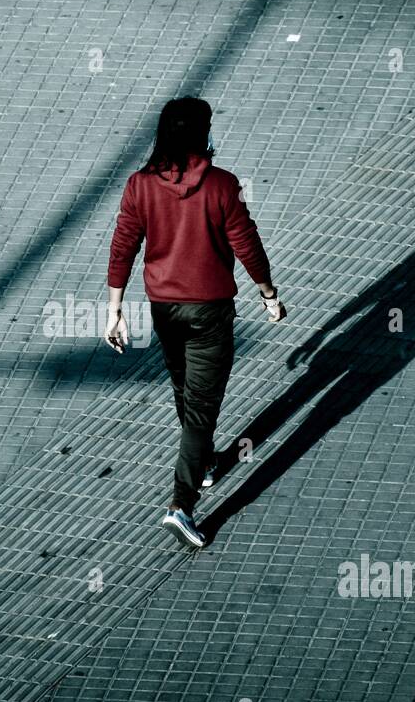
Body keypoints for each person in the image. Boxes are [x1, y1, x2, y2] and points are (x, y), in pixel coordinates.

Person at [104, 97, 285, 548]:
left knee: (186, 389)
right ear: (202, 133)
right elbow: (247, 242)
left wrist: (115, 308)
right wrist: (268, 293)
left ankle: (203, 463)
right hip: (209, 309)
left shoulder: (139, 185)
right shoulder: (222, 185)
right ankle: (181, 506)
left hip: (164, 306)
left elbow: (124, 243)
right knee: (201, 410)